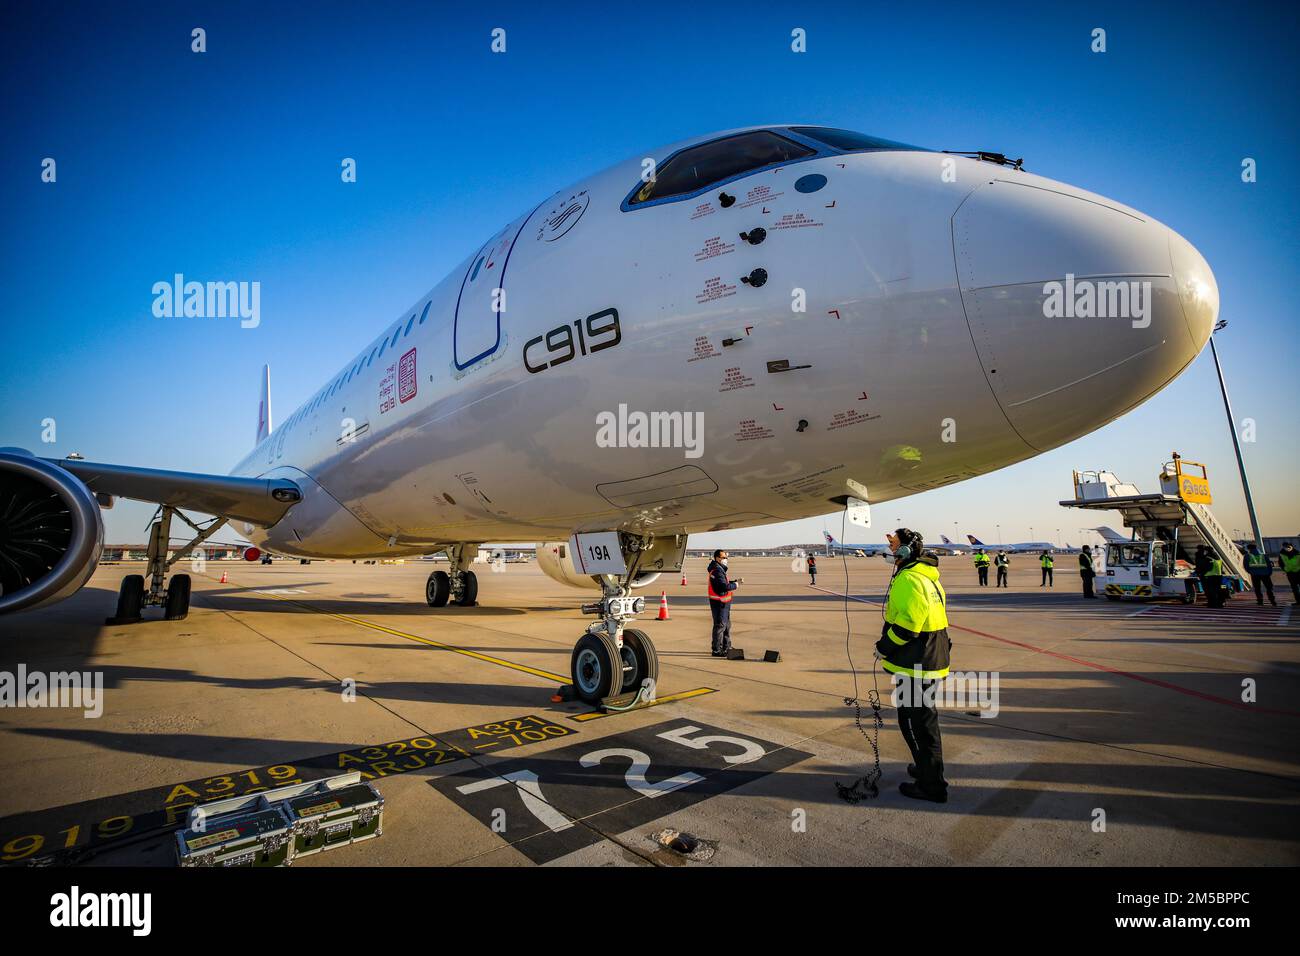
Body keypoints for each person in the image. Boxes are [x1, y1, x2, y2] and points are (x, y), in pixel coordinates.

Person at [875, 528, 951, 803]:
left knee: (915, 723)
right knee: (923, 720)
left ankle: (932, 785)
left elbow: (908, 627)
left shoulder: (909, 579)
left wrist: (884, 646)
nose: (890, 549)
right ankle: (924, 768)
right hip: (930, 658)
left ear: (907, 550)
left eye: (894, 544)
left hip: (917, 662)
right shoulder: (927, 577)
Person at [706, 549, 743, 657]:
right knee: (720, 626)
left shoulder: (718, 569)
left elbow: (723, 583)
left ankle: (726, 646)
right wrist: (735, 585)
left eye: (726, 557)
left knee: (726, 626)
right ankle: (717, 650)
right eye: (724, 558)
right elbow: (723, 586)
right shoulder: (717, 570)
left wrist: (734, 581)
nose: (726, 559)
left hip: (723, 603)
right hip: (720, 603)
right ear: (717, 558)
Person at [1244, 543, 1278, 608]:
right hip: (1265, 574)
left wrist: (1251, 572)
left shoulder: (1247, 556)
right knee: (1269, 588)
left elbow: (1246, 566)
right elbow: (1269, 565)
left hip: (1255, 574)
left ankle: (1260, 601)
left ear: (1249, 549)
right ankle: (1272, 601)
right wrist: (1269, 572)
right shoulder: (1264, 555)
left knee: (1257, 588)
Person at [1279, 542, 1300, 606]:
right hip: (1296, 572)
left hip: (1291, 573)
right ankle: (1298, 601)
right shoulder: (1297, 553)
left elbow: (1280, 563)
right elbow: (1281, 563)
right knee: (1295, 588)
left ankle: (1298, 601)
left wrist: (1285, 569)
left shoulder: (1282, 554)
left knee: (1295, 588)